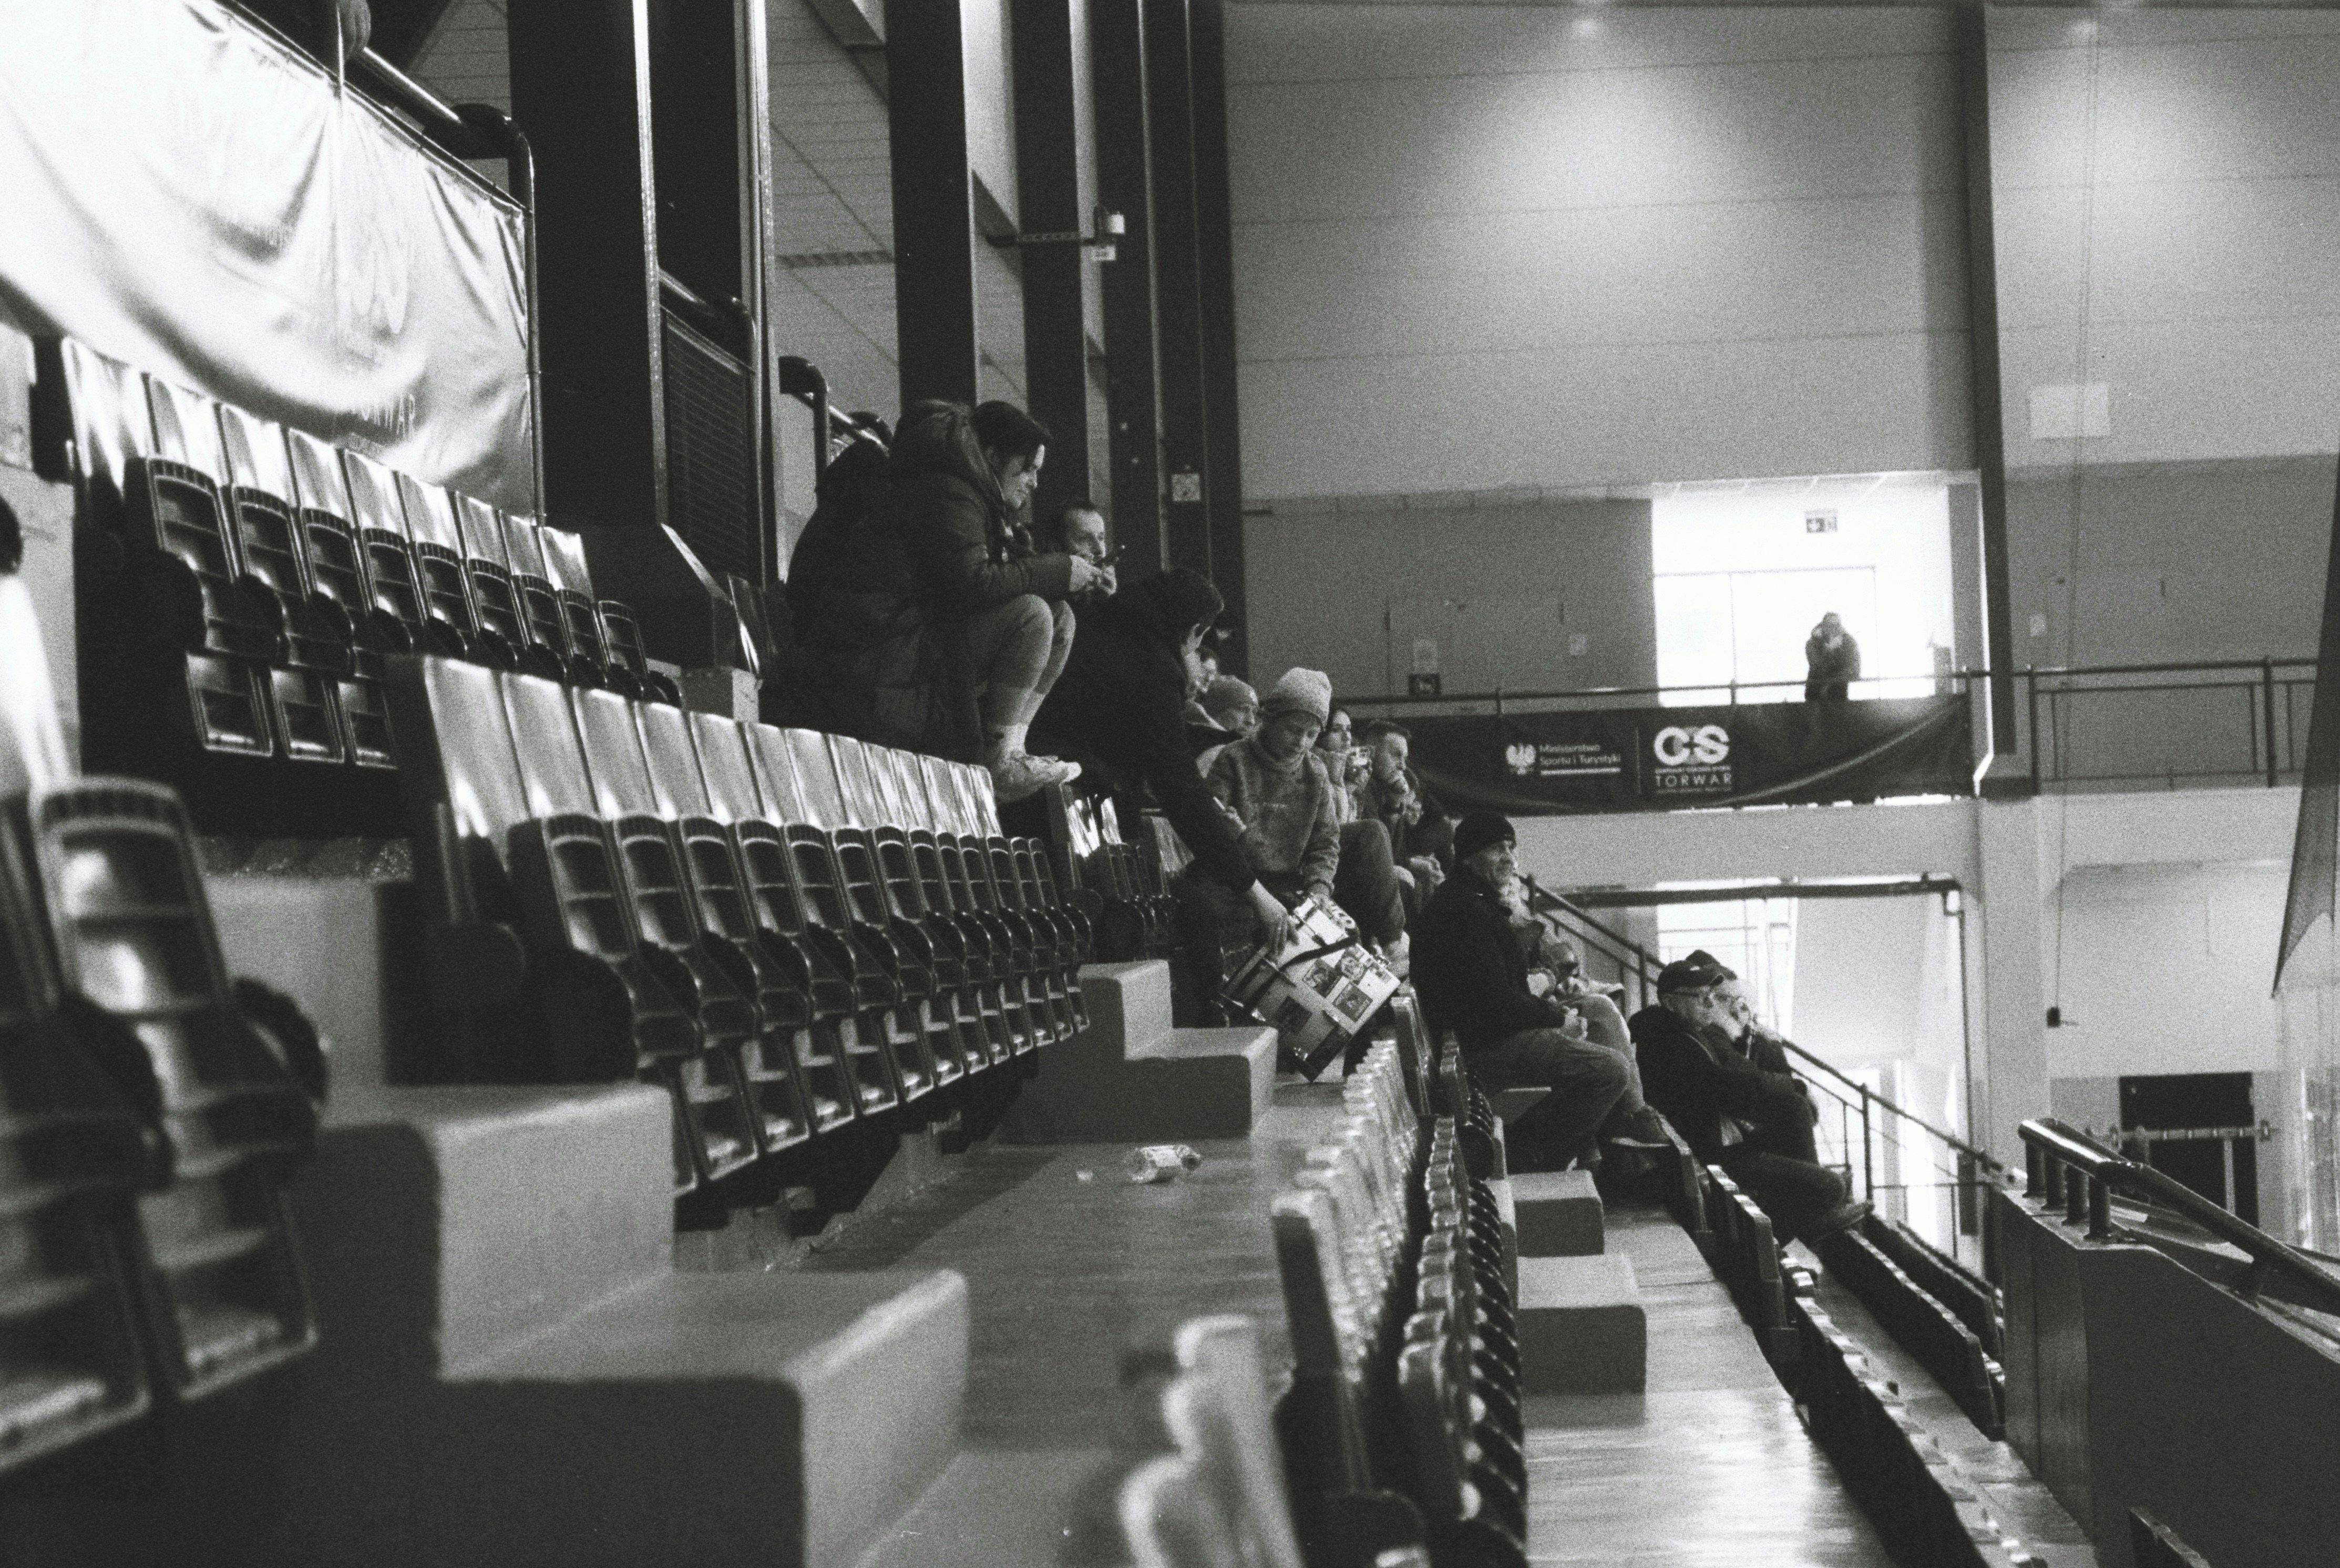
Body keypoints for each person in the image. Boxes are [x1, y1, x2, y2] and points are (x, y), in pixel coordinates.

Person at [1028, 568, 1289, 948]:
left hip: (1036, 799)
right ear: (1193, 628)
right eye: (1200, 637)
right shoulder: (1153, 669)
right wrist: (1253, 889)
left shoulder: (1095, 625)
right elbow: (1179, 788)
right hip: (1075, 821)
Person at [1410, 813, 1668, 1171]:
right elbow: (1497, 1003)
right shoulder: (1463, 910)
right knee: (1609, 1069)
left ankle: (1612, 1139)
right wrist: (1558, 1019)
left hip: (1486, 1037)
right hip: (1483, 1050)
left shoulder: (1476, 902)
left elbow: (1505, 991)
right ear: (1470, 855)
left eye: (1512, 848)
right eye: (1497, 848)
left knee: (1598, 1033)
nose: (1509, 858)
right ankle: (1532, 1155)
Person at [887, 399, 1109, 799]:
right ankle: (999, 758)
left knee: (1060, 618)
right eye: (1028, 469)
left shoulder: (974, 497)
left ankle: (1011, 747)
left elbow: (994, 573)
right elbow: (972, 585)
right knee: (1032, 616)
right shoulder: (951, 493)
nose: (1034, 483)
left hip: (921, 641)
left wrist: (1069, 577)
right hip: (895, 652)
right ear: (992, 457)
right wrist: (1058, 571)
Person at [1628, 952, 1871, 1244]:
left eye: (1711, 996)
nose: (1710, 1003)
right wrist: (1789, 1083)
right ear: (1670, 1003)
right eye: (1698, 997)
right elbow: (1735, 1091)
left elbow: (1738, 1084)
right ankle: (1784, 1237)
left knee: (1794, 1114)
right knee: (1829, 1186)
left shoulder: (1684, 1032)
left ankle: (1809, 1215)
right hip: (1717, 1156)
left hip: (1718, 1144)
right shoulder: (1675, 1046)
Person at [1198, 667, 1407, 967]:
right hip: (1244, 876)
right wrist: (1226, 830)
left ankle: (1394, 946)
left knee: (1371, 835)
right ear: (1269, 721)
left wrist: (1320, 888)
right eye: (1294, 730)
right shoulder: (1233, 759)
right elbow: (1208, 828)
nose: (1301, 742)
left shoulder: (1316, 770)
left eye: (1311, 735)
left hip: (1295, 876)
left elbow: (1326, 842)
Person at [1804, 612, 1861, 703]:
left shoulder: (1848, 642)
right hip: (1815, 691)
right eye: (1829, 626)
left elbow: (1854, 667)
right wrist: (1827, 649)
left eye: (1836, 625)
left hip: (1838, 691)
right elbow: (1816, 665)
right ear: (1823, 626)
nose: (1833, 629)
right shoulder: (1813, 643)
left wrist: (1839, 650)